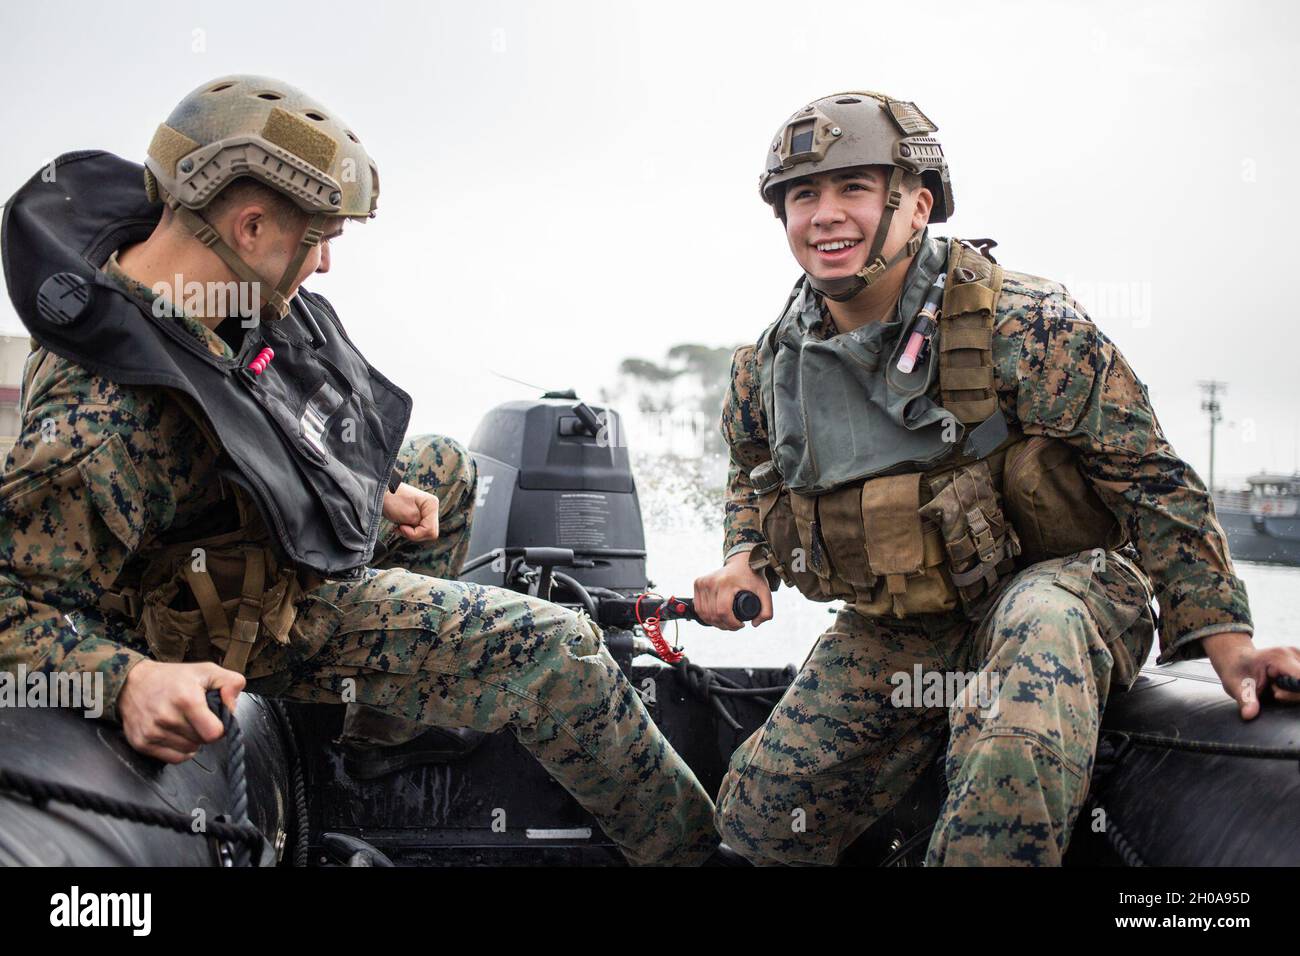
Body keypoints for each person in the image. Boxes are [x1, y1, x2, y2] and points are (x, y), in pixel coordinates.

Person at [0, 74, 715, 866]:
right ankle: (697, 855)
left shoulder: (196, 282)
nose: (328, 263)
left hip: (248, 529)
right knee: (559, 650)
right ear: (247, 226)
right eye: (318, 238)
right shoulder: (103, 426)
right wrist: (129, 680)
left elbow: (251, 427)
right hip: (225, 615)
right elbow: (12, 599)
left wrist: (370, 488)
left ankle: (384, 735)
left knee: (444, 468)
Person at [693, 89, 1300, 865]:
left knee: (1034, 632)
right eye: (803, 195)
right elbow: (754, 476)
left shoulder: (1026, 324)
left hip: (1065, 589)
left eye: (854, 188)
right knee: (761, 815)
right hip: (905, 626)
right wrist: (746, 558)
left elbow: (1151, 481)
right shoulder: (770, 369)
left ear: (917, 206)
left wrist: (1230, 646)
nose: (825, 215)